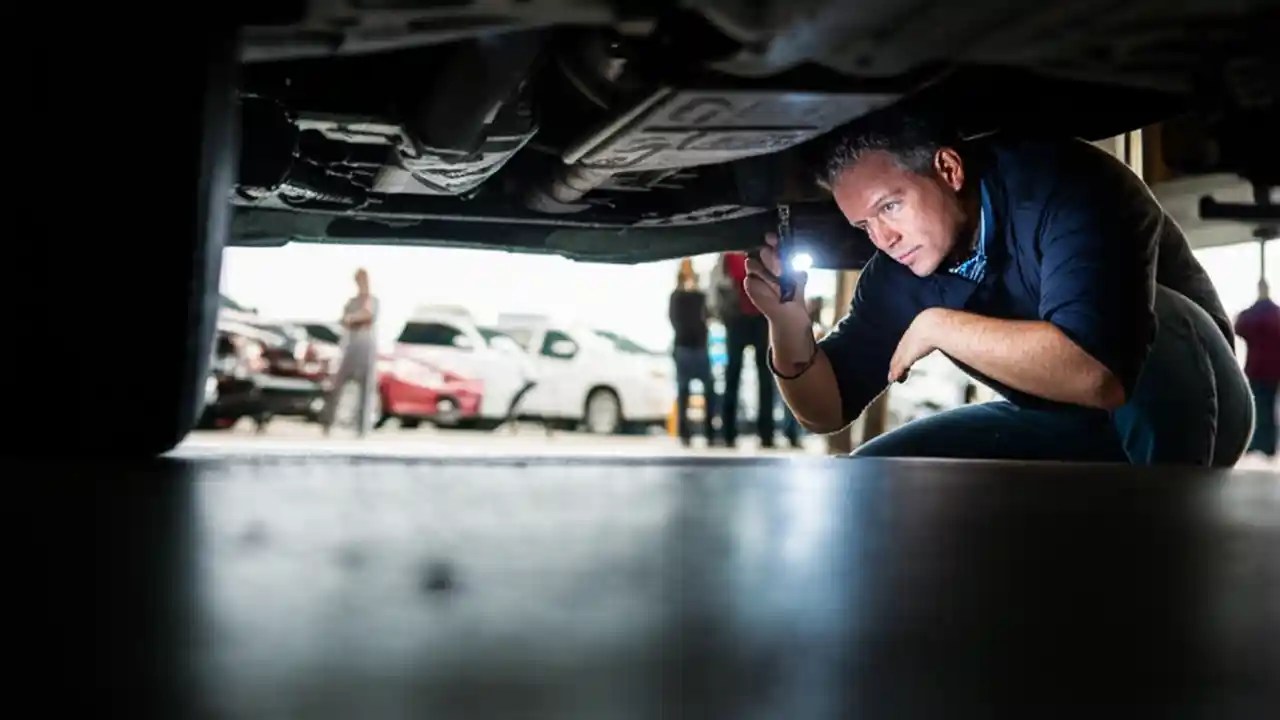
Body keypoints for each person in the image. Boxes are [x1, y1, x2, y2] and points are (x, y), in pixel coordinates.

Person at [746, 112, 1253, 466]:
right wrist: (787, 328)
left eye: (890, 207)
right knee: (871, 477)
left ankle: (1173, 534)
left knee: (1159, 313)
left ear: (948, 168)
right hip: (1066, 426)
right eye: (864, 226)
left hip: (1195, 413)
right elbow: (827, 410)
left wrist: (939, 325)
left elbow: (1100, 375)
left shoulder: (1065, 185)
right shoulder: (899, 268)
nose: (883, 237)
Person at [713, 252, 776, 448]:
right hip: (737, 318)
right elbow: (719, 286)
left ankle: (767, 434)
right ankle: (728, 433)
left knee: (765, 377)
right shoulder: (728, 256)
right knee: (733, 375)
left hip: (759, 317)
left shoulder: (760, 254)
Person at [320, 268, 380, 437]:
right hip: (350, 346)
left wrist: (355, 317)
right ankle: (327, 423)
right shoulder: (351, 302)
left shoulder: (373, 300)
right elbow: (345, 320)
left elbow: (368, 315)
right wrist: (353, 318)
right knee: (338, 384)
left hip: (367, 347)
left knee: (366, 388)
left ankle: (362, 429)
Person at [670, 262, 718, 447]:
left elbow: (708, 315)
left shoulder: (700, 295)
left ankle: (709, 432)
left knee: (708, 391)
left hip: (698, 347)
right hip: (685, 347)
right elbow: (674, 319)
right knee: (684, 392)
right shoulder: (677, 296)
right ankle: (685, 434)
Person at [1235, 280, 1280, 457]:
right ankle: (1268, 445)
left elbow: (1239, 328)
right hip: (1274, 368)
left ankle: (1257, 442)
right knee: (1268, 406)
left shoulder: (1251, 315)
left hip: (1256, 367)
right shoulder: (1276, 314)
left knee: (1257, 406)